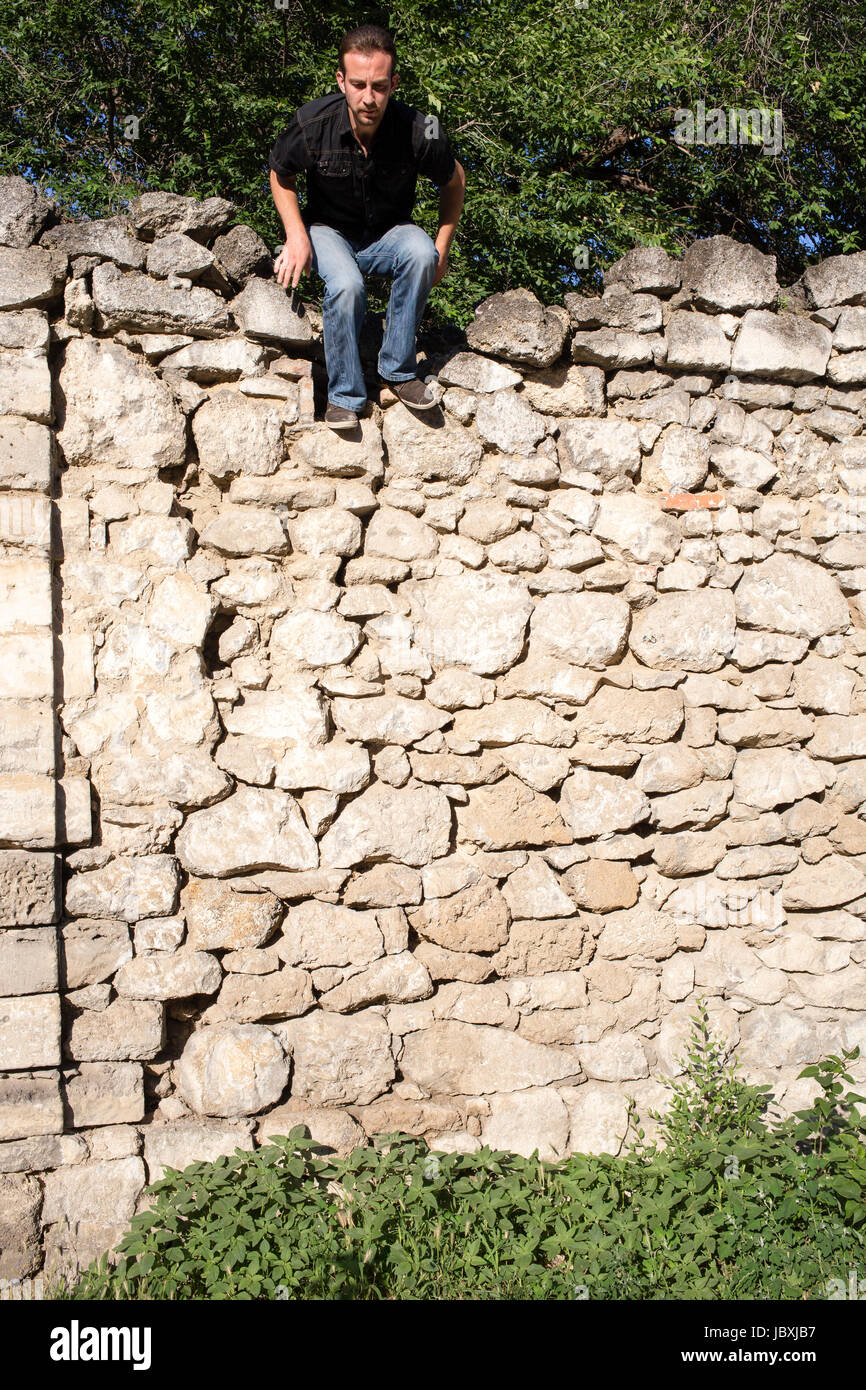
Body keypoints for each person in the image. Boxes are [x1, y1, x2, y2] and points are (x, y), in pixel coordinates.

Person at [269, 23, 466, 430]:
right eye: (358, 84)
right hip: (329, 232)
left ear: (394, 82)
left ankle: (397, 369)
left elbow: (455, 179)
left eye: (379, 85)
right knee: (347, 285)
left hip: (390, 233)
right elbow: (280, 173)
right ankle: (344, 397)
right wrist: (295, 234)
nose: (369, 97)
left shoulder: (420, 129)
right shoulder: (312, 122)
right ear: (341, 80)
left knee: (421, 252)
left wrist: (443, 248)